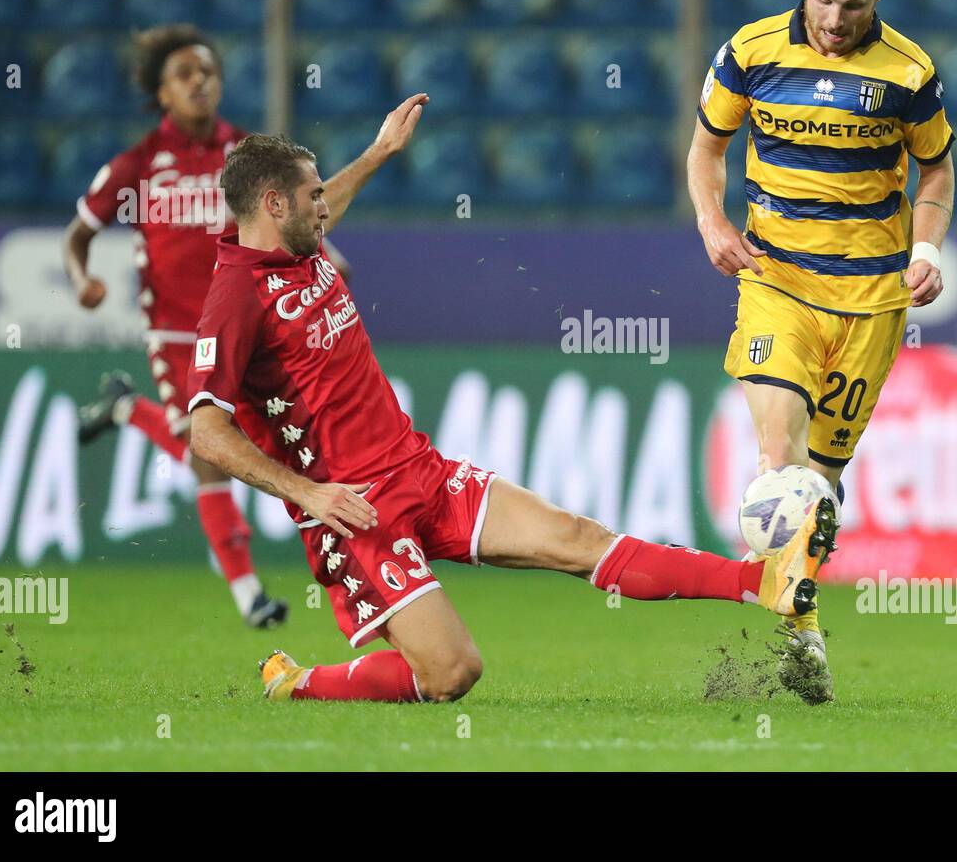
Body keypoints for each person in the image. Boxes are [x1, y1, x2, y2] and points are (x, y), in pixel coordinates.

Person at [185, 123, 839, 704]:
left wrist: (380, 153)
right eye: (312, 197)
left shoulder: (299, 247)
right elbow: (206, 429)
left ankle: (766, 581)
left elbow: (331, 204)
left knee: (577, 538)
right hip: (354, 509)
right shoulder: (235, 296)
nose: (326, 208)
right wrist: (309, 495)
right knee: (451, 674)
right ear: (274, 206)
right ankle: (298, 682)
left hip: (420, 470)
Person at [685, 0, 955, 697]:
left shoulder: (909, 72)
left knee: (821, 487)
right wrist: (711, 221)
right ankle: (804, 634)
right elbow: (707, 147)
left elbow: (935, 174)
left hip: (872, 300)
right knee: (781, 466)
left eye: (854, 5)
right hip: (777, 282)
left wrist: (927, 251)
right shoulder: (752, 49)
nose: (835, 20)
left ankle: (794, 612)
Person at [65, 23, 402, 627]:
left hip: (248, 331)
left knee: (235, 449)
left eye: (209, 71)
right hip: (177, 333)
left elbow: (301, 211)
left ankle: (125, 410)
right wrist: (80, 277)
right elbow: (79, 234)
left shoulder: (246, 158)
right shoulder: (139, 165)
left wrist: (326, 254)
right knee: (210, 453)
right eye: (184, 74)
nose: (200, 81)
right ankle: (250, 596)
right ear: (161, 93)